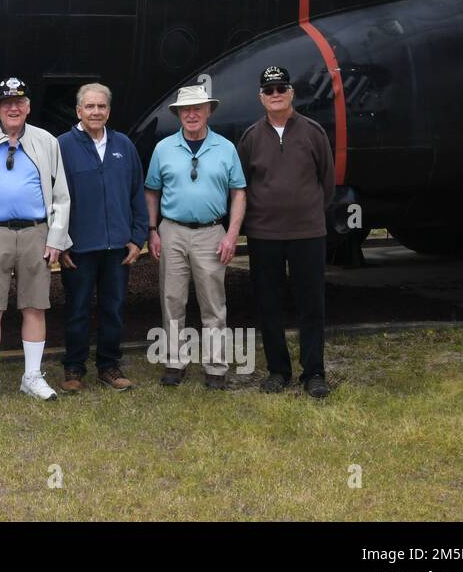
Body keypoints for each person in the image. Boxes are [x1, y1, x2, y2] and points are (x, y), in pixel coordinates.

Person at [0, 77, 71, 402]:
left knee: (35, 306)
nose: (13, 108)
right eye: (7, 103)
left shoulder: (46, 141)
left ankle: (31, 377)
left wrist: (56, 238)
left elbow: (61, 194)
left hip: (36, 233)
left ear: (29, 107)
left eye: (19, 102)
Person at [237, 66, 336, 399]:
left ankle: (314, 372)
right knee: (269, 304)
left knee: (311, 303)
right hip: (264, 234)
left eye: (281, 88)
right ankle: (278, 370)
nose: (275, 94)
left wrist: (307, 212)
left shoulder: (313, 132)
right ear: (261, 97)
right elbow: (243, 185)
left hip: (307, 232)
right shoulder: (251, 136)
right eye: (269, 90)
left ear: (292, 93)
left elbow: (327, 181)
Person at [144, 85, 246, 389]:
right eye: (185, 109)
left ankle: (216, 367)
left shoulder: (226, 148)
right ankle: (174, 362)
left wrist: (231, 234)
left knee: (213, 303)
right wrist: (153, 230)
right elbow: (152, 190)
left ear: (208, 111)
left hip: (211, 232)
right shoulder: (163, 148)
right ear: (178, 114)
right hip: (172, 230)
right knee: (172, 298)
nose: (191, 114)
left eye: (197, 108)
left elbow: (238, 192)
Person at [56, 83, 147, 393]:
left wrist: (137, 237)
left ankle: (109, 366)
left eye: (101, 107)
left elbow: (137, 193)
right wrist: (61, 240)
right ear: (78, 110)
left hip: (118, 249)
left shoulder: (125, 146)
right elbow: (53, 197)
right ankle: (73, 369)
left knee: (114, 307)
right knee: (77, 309)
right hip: (78, 248)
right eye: (90, 106)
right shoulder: (62, 146)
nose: (96, 112)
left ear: (109, 111)